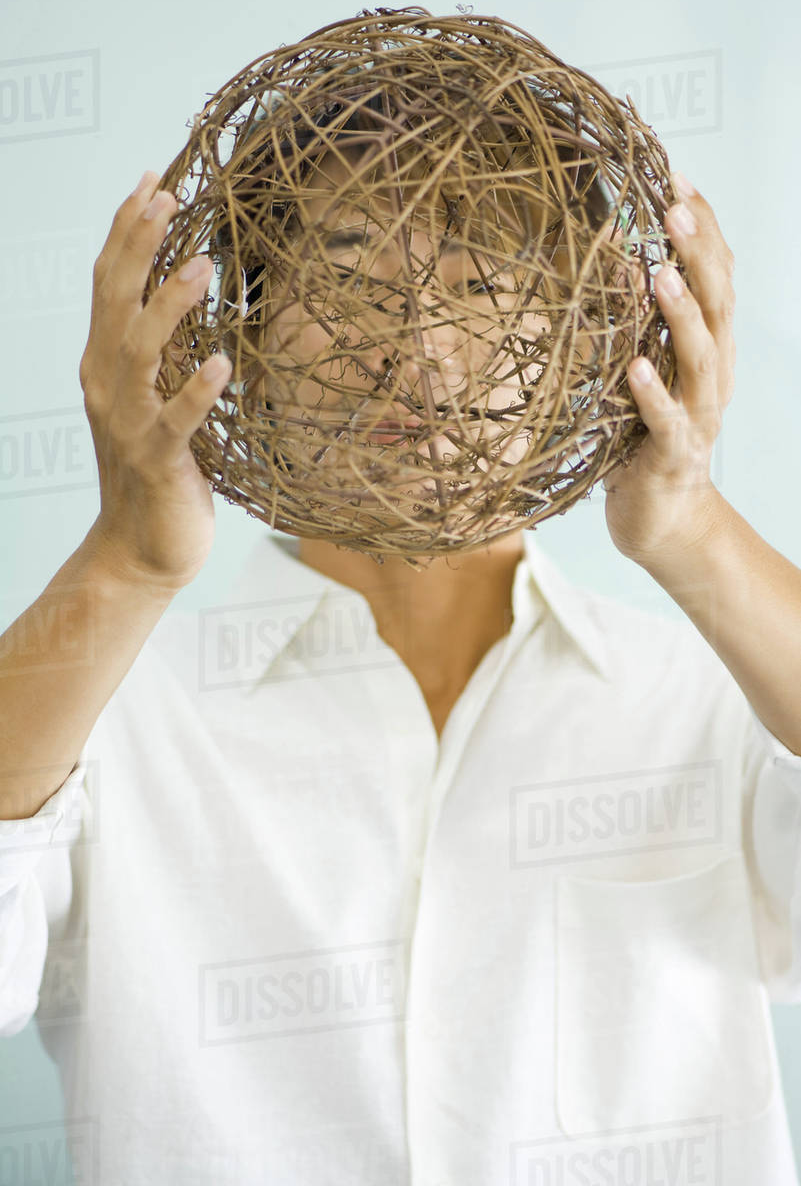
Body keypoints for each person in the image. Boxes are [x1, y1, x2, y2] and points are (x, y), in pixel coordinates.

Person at [1, 142, 801, 1186]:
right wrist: (125, 559)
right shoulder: (105, 716)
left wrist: (691, 525)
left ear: (587, 338)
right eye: (344, 275)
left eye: (481, 284)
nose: (418, 343)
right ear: (240, 323)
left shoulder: (712, 695)